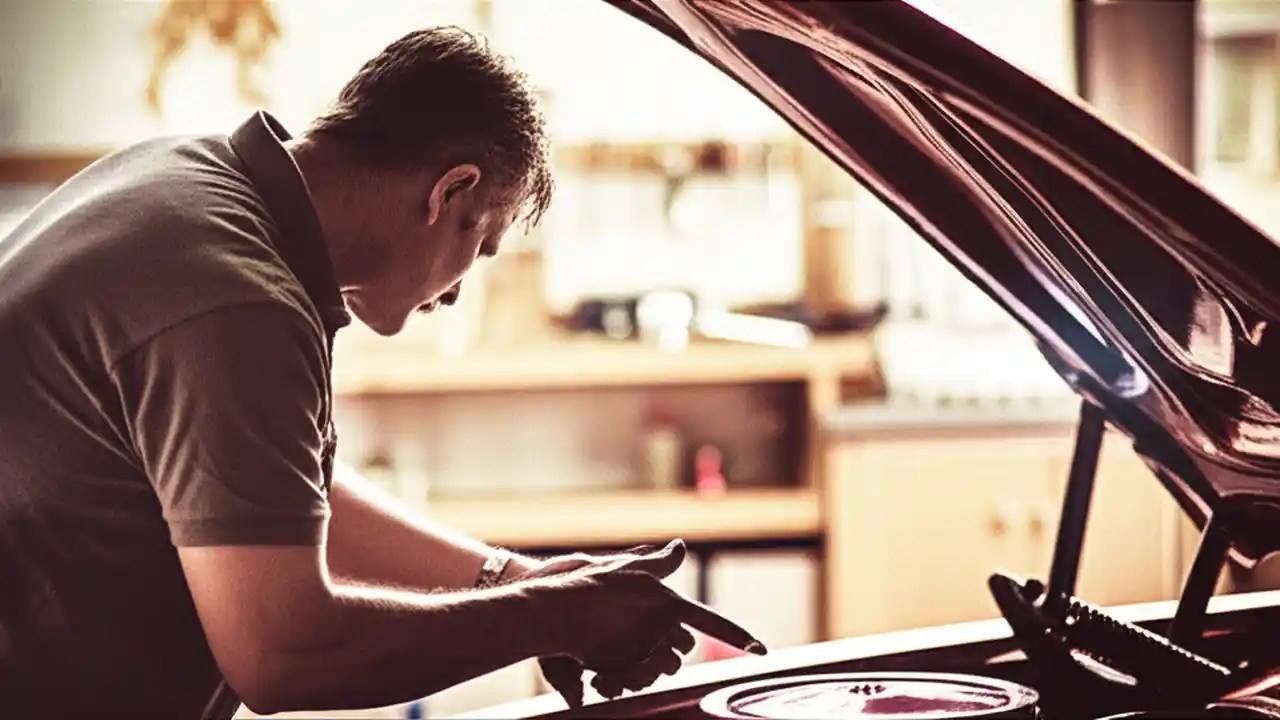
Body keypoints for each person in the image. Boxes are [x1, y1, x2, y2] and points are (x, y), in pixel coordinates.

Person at [0, 26, 764, 717]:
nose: (460, 288)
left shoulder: (188, 177)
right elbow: (283, 654)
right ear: (450, 191)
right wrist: (557, 616)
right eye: (484, 243)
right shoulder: (237, 300)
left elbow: (259, 490)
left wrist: (512, 580)